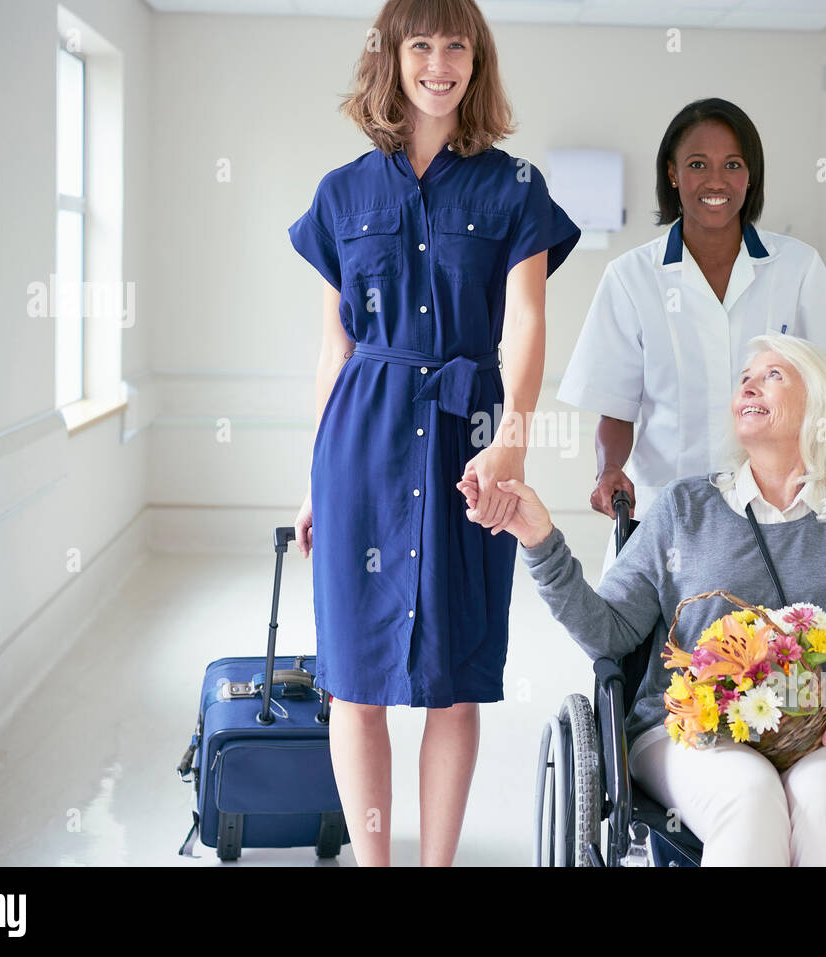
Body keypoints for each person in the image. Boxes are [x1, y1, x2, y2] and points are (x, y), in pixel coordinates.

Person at [458, 333, 826, 866]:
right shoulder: (684, 507)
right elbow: (609, 633)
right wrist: (541, 543)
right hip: (691, 730)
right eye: (746, 375)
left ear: (820, 406)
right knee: (748, 795)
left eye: (774, 374)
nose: (749, 382)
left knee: (823, 804)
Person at [286, 0, 581, 867]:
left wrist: (514, 440)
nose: (440, 63)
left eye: (457, 45)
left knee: (456, 682)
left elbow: (525, 324)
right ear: (393, 56)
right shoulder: (342, 193)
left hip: (469, 437)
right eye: (422, 44)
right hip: (360, 448)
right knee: (354, 680)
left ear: (477, 59)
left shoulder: (515, 188)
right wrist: (314, 481)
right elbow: (335, 344)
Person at [554, 98, 826, 576]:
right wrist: (608, 470)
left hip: (780, 513)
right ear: (673, 174)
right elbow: (616, 407)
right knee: (654, 648)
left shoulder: (796, 269)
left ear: (750, 176)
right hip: (664, 516)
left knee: (770, 646)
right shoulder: (632, 277)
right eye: (698, 164)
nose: (715, 181)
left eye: (732, 165)